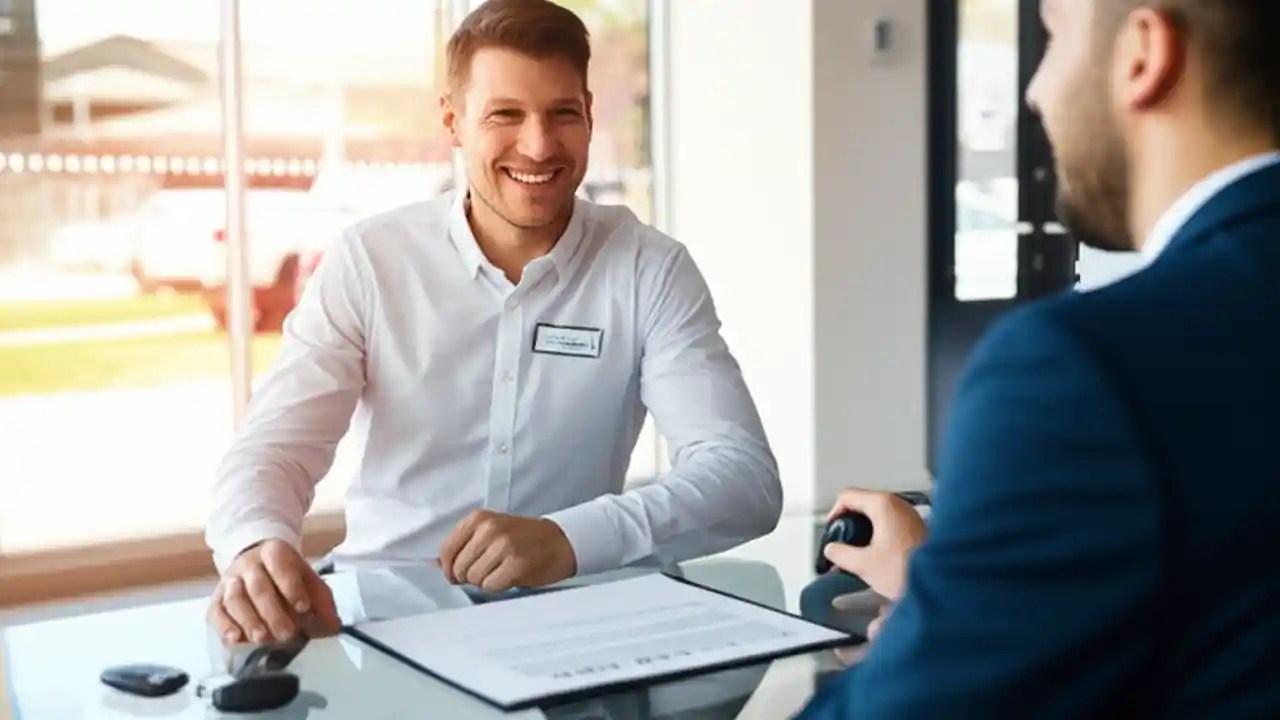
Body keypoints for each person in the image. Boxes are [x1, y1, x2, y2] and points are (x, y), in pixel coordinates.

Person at [204, 0, 781, 646]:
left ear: (590, 115)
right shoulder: (371, 262)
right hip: (383, 623)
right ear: (453, 121)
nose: (537, 145)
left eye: (562, 113)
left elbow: (743, 478)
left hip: (572, 632)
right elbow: (274, 450)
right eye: (506, 114)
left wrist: (570, 538)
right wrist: (255, 544)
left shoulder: (650, 268)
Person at [801, 0, 1280, 716]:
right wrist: (957, 582)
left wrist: (927, 631)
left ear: (1143, 55)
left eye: (1053, 41)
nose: (1034, 91)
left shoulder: (1082, 370)